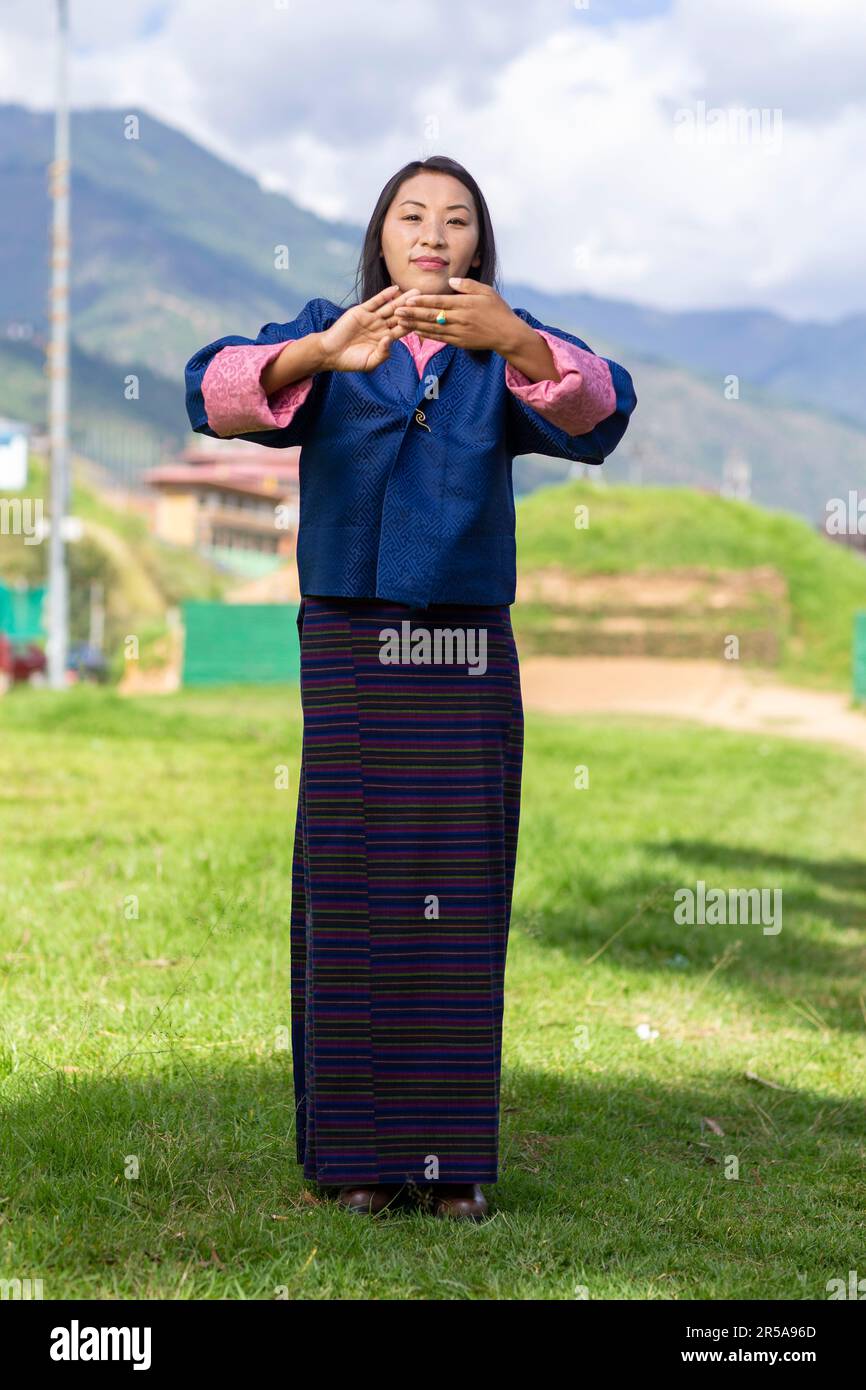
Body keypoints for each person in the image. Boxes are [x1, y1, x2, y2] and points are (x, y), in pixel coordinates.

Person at [184, 155, 637, 1221]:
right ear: (380, 236)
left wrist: (518, 343)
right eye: (410, 215)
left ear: (477, 244)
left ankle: (448, 1166)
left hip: (466, 644)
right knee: (347, 881)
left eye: (455, 220)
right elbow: (212, 390)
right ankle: (352, 1159)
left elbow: (601, 413)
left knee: (457, 888)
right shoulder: (326, 329)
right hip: (347, 632)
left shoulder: (503, 342)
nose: (432, 234)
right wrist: (321, 350)